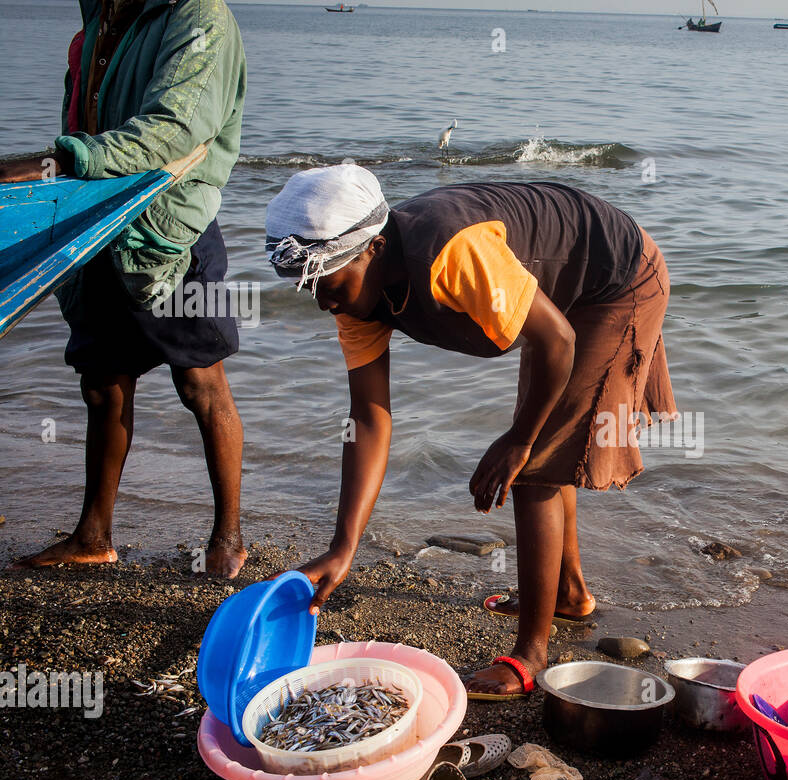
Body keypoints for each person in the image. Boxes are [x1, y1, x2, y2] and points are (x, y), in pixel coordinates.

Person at [264, 165, 678, 700]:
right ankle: (567, 593)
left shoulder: (450, 254)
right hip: (559, 299)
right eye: (311, 288)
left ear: (374, 249)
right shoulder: (357, 293)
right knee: (545, 445)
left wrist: (519, 440)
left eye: (329, 283)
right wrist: (344, 547)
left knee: (533, 465)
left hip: (617, 279)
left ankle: (530, 653)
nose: (323, 302)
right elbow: (368, 417)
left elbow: (556, 341)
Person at [0, 0, 248, 577]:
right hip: (96, 221)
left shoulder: (200, 16)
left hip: (171, 226)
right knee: (103, 382)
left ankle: (228, 539)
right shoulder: (102, 17)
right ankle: (93, 535)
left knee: (200, 382)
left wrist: (56, 164)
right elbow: (80, 114)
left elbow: (173, 129)